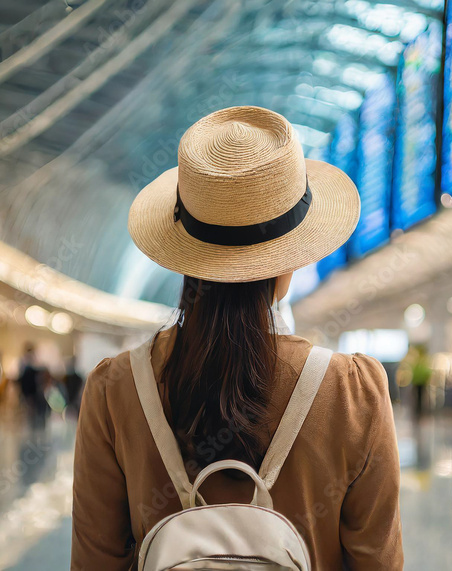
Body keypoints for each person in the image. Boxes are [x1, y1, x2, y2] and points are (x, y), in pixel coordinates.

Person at [71, 106, 402, 569]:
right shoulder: (353, 391)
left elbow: (95, 562)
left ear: (185, 257)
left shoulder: (115, 389)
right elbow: (377, 562)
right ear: (289, 262)